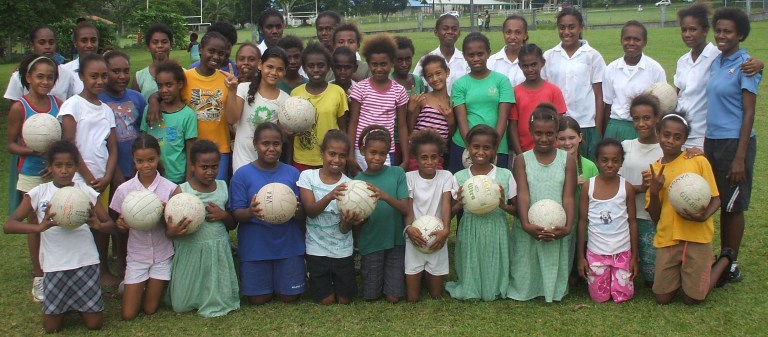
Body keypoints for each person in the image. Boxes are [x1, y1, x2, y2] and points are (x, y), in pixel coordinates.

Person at [3, 140, 115, 333]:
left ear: (76, 167)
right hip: (55, 266)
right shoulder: (39, 193)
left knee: (94, 325)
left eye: (69, 165)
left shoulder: (84, 191)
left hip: (85, 263)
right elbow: (8, 225)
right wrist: (39, 228)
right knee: (51, 328)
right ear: (49, 167)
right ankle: (68, 305)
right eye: (58, 165)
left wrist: (98, 225)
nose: (64, 170)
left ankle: (76, 305)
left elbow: (111, 225)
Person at [646, 113, 730, 305]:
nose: (671, 141)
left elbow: (716, 199)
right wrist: (654, 189)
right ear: (658, 134)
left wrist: (703, 217)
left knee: (692, 299)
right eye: (666, 135)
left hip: (697, 236)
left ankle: (723, 260)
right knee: (662, 298)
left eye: (677, 137)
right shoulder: (654, 169)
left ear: (685, 139)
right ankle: (685, 275)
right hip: (668, 236)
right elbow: (654, 215)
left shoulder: (697, 161)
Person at [704, 8, 762, 284]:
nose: (722, 35)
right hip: (712, 140)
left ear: (740, 34)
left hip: (734, 143)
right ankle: (722, 256)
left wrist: (740, 157)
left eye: (728, 31)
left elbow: (749, 112)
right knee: (718, 200)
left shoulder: (746, 64)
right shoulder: (717, 61)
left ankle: (731, 263)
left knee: (733, 205)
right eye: (719, 30)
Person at [58, 53, 119, 287]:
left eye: (104, 76)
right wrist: (89, 177)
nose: (100, 81)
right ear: (82, 76)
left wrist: (106, 177)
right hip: (78, 181)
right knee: (76, 227)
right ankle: (75, 277)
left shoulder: (106, 110)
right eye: (94, 76)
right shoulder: (73, 105)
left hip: (100, 181)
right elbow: (70, 145)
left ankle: (102, 270)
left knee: (100, 228)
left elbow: (112, 148)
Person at [6, 54, 62, 302]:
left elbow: (63, 141)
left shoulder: (58, 103)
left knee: (59, 219)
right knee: (35, 225)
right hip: (30, 173)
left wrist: (54, 163)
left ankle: (58, 268)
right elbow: (11, 144)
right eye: (40, 76)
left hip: (55, 174)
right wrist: (32, 151)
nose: (45, 81)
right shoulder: (20, 107)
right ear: (28, 77)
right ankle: (38, 274)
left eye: (50, 77)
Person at [230, 123, 306, 305]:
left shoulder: (293, 173)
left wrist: (297, 211)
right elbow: (236, 214)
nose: (271, 148)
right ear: (255, 144)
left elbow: (304, 212)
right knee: (258, 299)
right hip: (256, 244)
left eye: (276, 144)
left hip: (288, 243)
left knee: (289, 297)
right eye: (265, 143)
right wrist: (250, 212)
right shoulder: (242, 175)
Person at [508, 104, 577, 302]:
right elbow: (522, 195)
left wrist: (567, 226)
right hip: (529, 224)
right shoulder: (522, 160)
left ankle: (551, 288)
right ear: (530, 132)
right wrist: (526, 224)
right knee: (526, 257)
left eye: (550, 134)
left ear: (557, 133)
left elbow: (568, 196)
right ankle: (527, 288)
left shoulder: (567, 160)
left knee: (552, 254)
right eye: (538, 133)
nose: (544, 138)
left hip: (557, 225)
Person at [111, 134, 184, 320]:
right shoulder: (124, 190)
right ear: (134, 161)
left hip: (162, 254)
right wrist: (121, 224)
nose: (146, 165)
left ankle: (150, 285)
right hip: (137, 255)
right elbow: (118, 225)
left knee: (150, 309)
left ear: (158, 157)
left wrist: (166, 218)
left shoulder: (171, 189)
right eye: (140, 161)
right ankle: (132, 284)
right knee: (128, 314)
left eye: (151, 160)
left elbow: (175, 226)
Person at [674, 4, 762, 150]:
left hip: (704, 135)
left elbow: (738, 59)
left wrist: (760, 64)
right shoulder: (682, 61)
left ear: (705, 30)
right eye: (684, 30)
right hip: (680, 133)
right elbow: (678, 95)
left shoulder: (716, 55)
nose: (687, 34)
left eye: (693, 29)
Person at [168, 139, 239, 317]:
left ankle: (216, 296)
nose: (210, 172)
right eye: (204, 167)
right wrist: (173, 232)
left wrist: (224, 215)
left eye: (214, 167)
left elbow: (232, 225)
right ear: (192, 166)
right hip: (190, 250)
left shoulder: (223, 187)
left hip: (217, 248)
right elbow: (169, 229)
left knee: (216, 292)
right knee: (181, 305)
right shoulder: (181, 191)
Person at [446, 125, 516, 300]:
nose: (481, 151)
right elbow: (449, 214)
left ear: (494, 149)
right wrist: (458, 204)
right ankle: (471, 288)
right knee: (472, 260)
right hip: (470, 228)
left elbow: (518, 211)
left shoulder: (505, 175)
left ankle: (496, 287)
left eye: (487, 147)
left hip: (496, 229)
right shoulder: (459, 177)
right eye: (476, 146)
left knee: (494, 260)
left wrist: (503, 205)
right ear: (468, 147)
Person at [297, 130, 358, 304]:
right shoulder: (308, 176)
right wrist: (330, 195)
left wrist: (348, 221)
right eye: (332, 154)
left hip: (342, 249)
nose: (337, 160)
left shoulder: (350, 185)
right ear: (322, 153)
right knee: (327, 300)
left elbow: (344, 229)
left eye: (342, 156)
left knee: (345, 300)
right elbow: (310, 211)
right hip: (316, 248)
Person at [577, 139, 639, 303]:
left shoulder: (627, 188)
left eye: (615, 160)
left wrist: (634, 256)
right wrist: (580, 257)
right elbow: (582, 222)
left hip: (622, 251)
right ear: (596, 161)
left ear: (621, 163)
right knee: (599, 297)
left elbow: (632, 222)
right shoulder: (588, 187)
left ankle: (619, 277)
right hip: (596, 252)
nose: (609, 164)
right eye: (604, 160)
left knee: (623, 296)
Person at [354, 125, 409, 303]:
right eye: (373, 152)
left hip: (395, 242)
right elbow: (356, 221)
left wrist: (384, 196)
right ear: (363, 151)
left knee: (393, 297)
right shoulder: (358, 181)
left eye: (383, 153)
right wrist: (356, 220)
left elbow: (405, 209)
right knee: (370, 296)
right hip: (371, 242)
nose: (377, 158)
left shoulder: (397, 173)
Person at [542, 8, 606, 160]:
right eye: (562, 27)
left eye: (571, 27)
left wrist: (597, 128)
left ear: (580, 27)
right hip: (557, 124)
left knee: (586, 169)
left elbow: (599, 94)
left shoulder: (593, 56)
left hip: (586, 123)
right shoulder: (549, 56)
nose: (566, 32)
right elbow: (545, 92)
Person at [449, 32, 514, 173]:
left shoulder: (502, 81)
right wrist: (471, 148)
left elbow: (503, 117)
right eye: (471, 55)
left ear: (488, 53)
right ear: (465, 56)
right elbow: (461, 119)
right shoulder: (459, 84)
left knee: (495, 191)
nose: (476, 59)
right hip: (464, 147)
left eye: (480, 54)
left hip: (497, 146)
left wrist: (492, 146)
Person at [404, 129, 455, 302]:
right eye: (424, 157)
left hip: (437, 238)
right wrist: (409, 228)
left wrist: (446, 230)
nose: (429, 161)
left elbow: (447, 204)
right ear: (416, 159)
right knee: (412, 298)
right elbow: (408, 207)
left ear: (440, 156)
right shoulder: (409, 178)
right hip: (414, 238)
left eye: (434, 157)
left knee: (436, 295)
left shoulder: (446, 176)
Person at [617, 94, 663, 286]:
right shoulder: (625, 147)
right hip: (625, 219)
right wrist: (640, 188)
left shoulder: (666, 148)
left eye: (647, 118)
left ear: (657, 119)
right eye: (636, 118)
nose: (641, 123)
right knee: (625, 274)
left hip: (653, 219)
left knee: (652, 280)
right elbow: (613, 182)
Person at [347, 33, 409, 173]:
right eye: (374, 64)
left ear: (392, 63)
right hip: (361, 149)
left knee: (383, 187)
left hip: (386, 149)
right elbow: (353, 122)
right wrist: (350, 155)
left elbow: (402, 125)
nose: (379, 69)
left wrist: (406, 158)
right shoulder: (360, 88)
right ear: (368, 64)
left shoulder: (398, 91)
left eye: (383, 64)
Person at [225, 47, 289, 173]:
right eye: (270, 67)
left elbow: (282, 136)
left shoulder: (285, 99)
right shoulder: (243, 89)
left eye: (280, 69)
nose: (274, 72)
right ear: (260, 65)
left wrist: (290, 131)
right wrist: (232, 91)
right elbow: (231, 119)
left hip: (268, 163)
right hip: (242, 161)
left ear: (285, 72)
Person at [602, 20, 666, 142]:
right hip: (615, 126)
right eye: (627, 39)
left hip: (642, 128)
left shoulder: (655, 69)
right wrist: (606, 131)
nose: (631, 43)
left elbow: (661, 107)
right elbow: (608, 105)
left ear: (645, 42)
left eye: (637, 39)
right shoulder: (611, 69)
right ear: (621, 40)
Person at [290, 43, 349, 171]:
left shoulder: (337, 92)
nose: (316, 70)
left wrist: (345, 157)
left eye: (321, 65)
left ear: (328, 68)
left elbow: (343, 128)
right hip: (302, 159)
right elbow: (291, 131)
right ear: (304, 68)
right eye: (311, 66)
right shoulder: (296, 93)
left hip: (332, 159)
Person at [184, 31, 233, 181]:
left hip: (220, 149)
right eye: (211, 51)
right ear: (200, 49)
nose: (216, 57)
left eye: (221, 53)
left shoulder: (227, 80)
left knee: (216, 194)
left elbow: (232, 116)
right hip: (192, 149)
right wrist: (154, 100)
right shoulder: (185, 77)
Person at [140, 60, 198, 184]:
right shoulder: (149, 110)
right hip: (152, 177)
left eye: (169, 85)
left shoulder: (188, 115)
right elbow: (142, 142)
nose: (164, 90)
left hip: (177, 178)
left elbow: (190, 152)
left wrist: (187, 183)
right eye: (160, 86)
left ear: (180, 84)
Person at [557, 116, 599, 282]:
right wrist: (571, 184)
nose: (567, 143)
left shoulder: (589, 166)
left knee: (581, 277)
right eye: (562, 139)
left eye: (572, 138)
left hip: (585, 227)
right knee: (571, 278)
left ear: (580, 138)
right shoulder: (553, 164)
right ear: (555, 140)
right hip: (561, 223)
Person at [509, 44, 567, 155]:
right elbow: (513, 126)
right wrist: (519, 153)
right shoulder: (515, 92)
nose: (530, 69)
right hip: (524, 151)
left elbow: (559, 123)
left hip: (551, 151)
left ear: (542, 63)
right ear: (520, 66)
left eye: (534, 65)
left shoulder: (554, 91)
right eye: (525, 66)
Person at [100, 51, 146, 186]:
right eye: (116, 71)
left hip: (136, 169)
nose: (122, 76)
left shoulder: (137, 98)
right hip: (109, 171)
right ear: (105, 73)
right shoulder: (98, 100)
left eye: (126, 71)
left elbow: (143, 131)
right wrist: (114, 171)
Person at [408, 55, 455, 170]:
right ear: (426, 78)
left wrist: (450, 119)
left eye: (438, 73)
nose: (435, 79)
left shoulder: (452, 102)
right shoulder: (423, 99)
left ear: (447, 72)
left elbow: (451, 134)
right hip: (418, 154)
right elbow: (410, 128)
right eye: (430, 76)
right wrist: (410, 110)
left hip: (437, 156)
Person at [4, 25, 73, 102]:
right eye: (42, 43)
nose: (48, 46)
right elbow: (15, 108)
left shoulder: (66, 74)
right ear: (32, 46)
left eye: (51, 42)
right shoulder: (18, 76)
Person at [413, 14, 469, 93]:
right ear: (436, 32)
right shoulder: (426, 60)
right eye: (445, 29)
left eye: (454, 29)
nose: (450, 32)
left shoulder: (466, 60)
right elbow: (417, 84)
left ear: (459, 33)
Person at [391, 36, 425, 166]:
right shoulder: (388, 81)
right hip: (393, 140)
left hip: (413, 138)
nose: (404, 64)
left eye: (408, 59)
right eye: (399, 60)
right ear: (392, 60)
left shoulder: (418, 81)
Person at [130, 23, 173, 100]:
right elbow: (135, 106)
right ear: (148, 47)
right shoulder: (139, 77)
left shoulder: (183, 73)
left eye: (164, 42)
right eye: (155, 42)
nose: (160, 45)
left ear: (171, 45)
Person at [487, 15, 527, 88]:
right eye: (508, 32)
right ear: (503, 33)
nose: (512, 37)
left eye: (518, 33)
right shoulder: (491, 62)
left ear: (525, 35)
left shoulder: (532, 61)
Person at [61, 21, 99, 98]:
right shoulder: (64, 70)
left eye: (93, 40)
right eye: (84, 41)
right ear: (75, 43)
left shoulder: (107, 69)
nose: (89, 45)